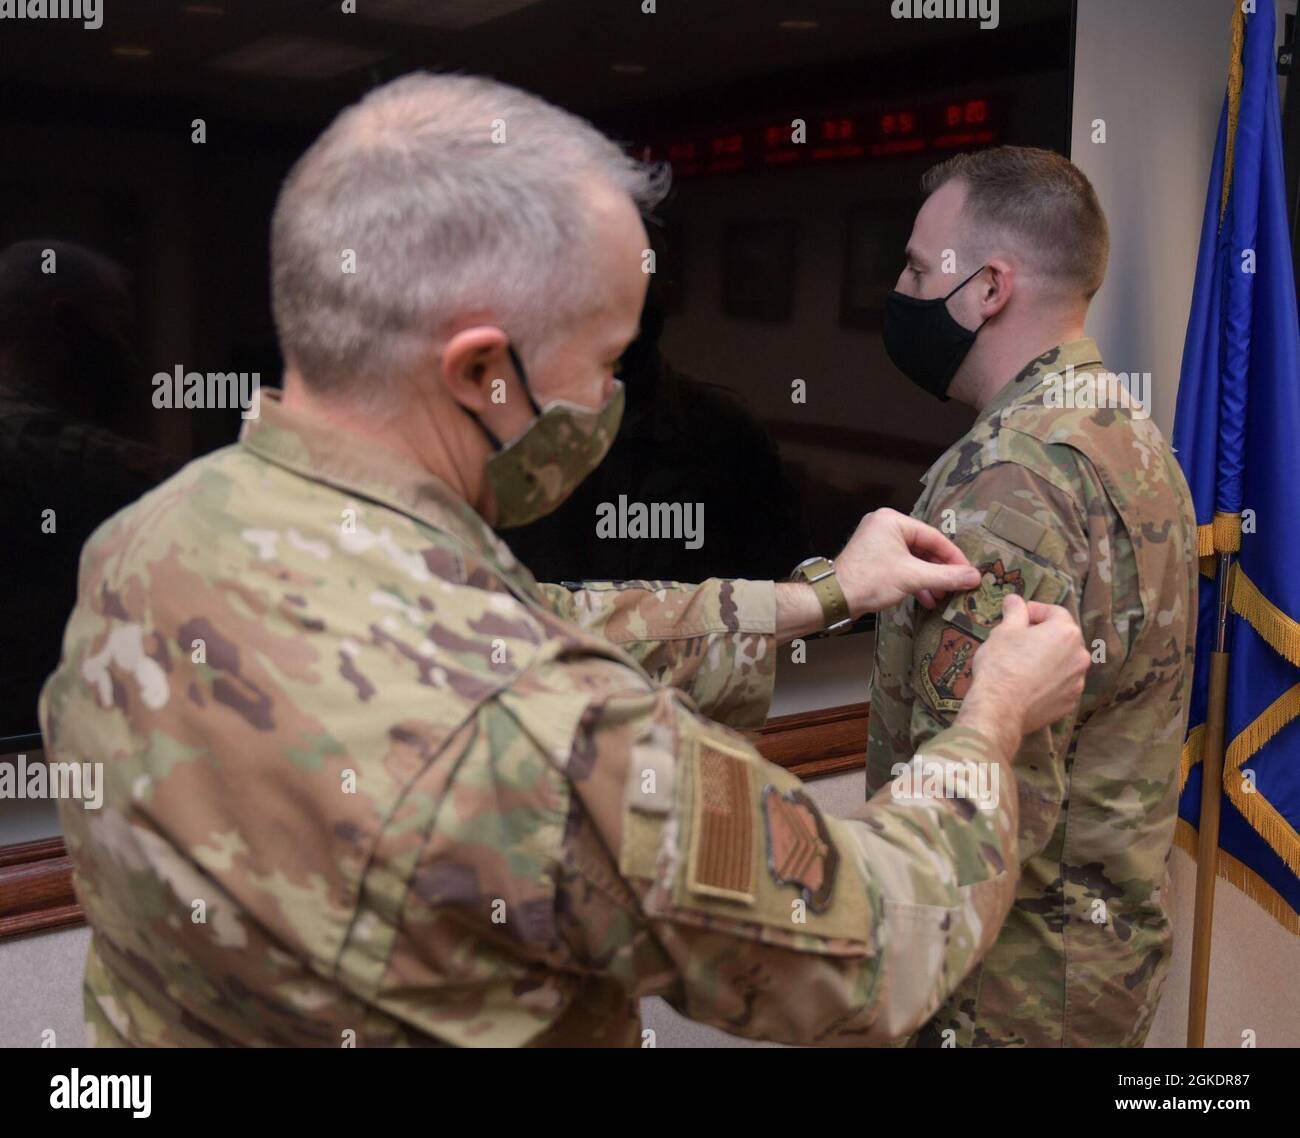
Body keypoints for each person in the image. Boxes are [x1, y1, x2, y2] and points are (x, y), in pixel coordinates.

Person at [40, 75, 1088, 1048]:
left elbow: (526, 614)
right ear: (484, 371)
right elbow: (877, 944)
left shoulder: (150, 537)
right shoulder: (546, 735)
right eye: (601, 363)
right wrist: (989, 721)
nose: (614, 402)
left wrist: (815, 595)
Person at [867, 146, 1197, 1047]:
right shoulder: (1123, 427)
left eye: (913, 266)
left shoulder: (1008, 476)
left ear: (987, 288)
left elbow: (979, 790)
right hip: (1097, 967)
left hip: (1003, 994)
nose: (898, 288)